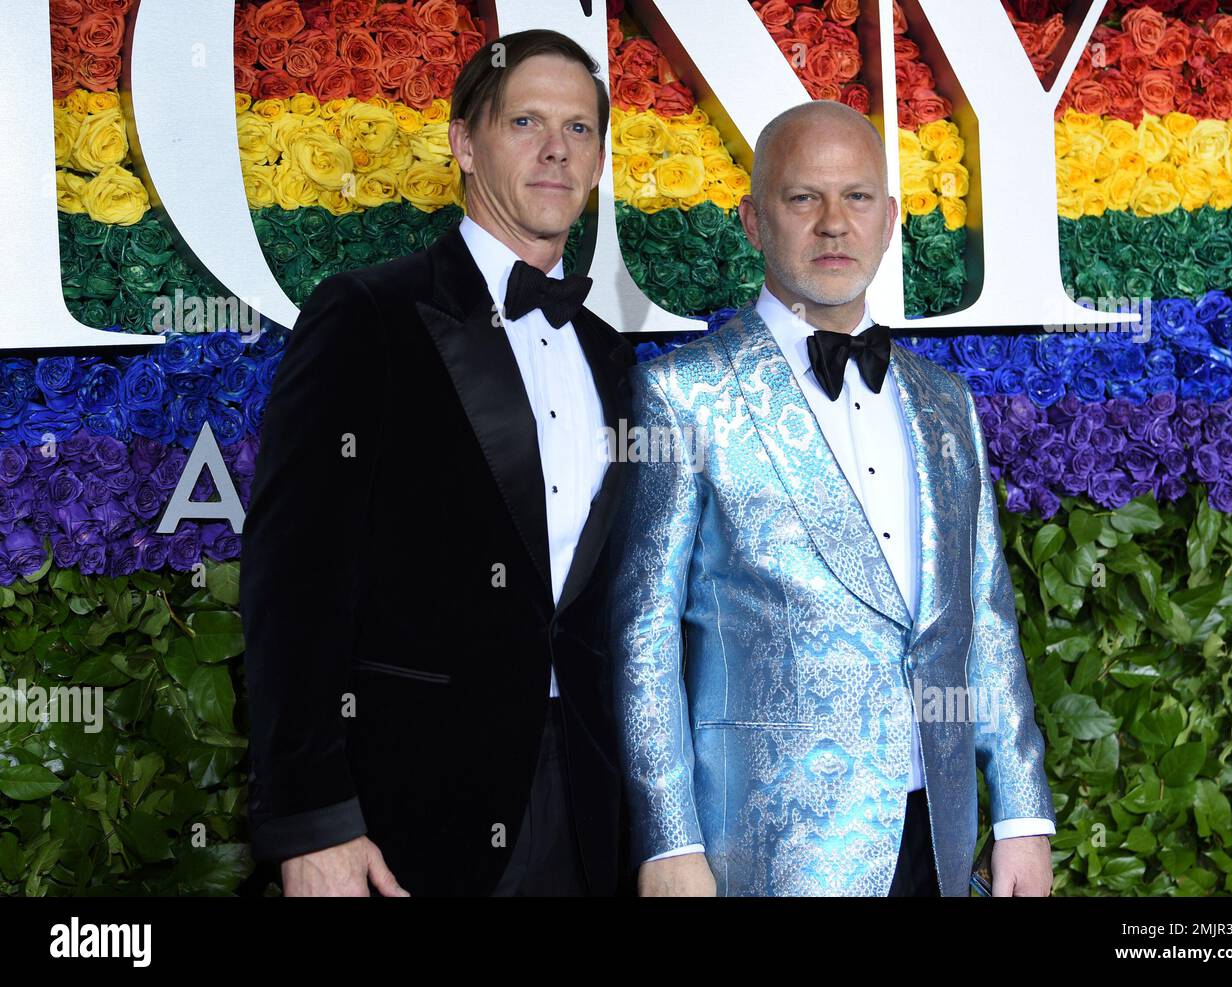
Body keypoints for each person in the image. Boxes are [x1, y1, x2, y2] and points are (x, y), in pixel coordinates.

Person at [609, 99, 1055, 896]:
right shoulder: (684, 394)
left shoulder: (946, 401)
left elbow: (983, 616)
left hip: (940, 840)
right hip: (768, 846)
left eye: (855, 198)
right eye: (802, 197)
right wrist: (667, 838)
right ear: (752, 219)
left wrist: (1021, 814)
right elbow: (641, 637)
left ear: (889, 220)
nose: (832, 224)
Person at [241, 29, 635, 896]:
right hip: (410, 808)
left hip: (589, 799)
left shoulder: (609, 353)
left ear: (601, 159)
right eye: (526, 120)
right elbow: (294, 581)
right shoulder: (369, 315)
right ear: (463, 141)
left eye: (577, 130)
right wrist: (313, 820)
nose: (554, 150)